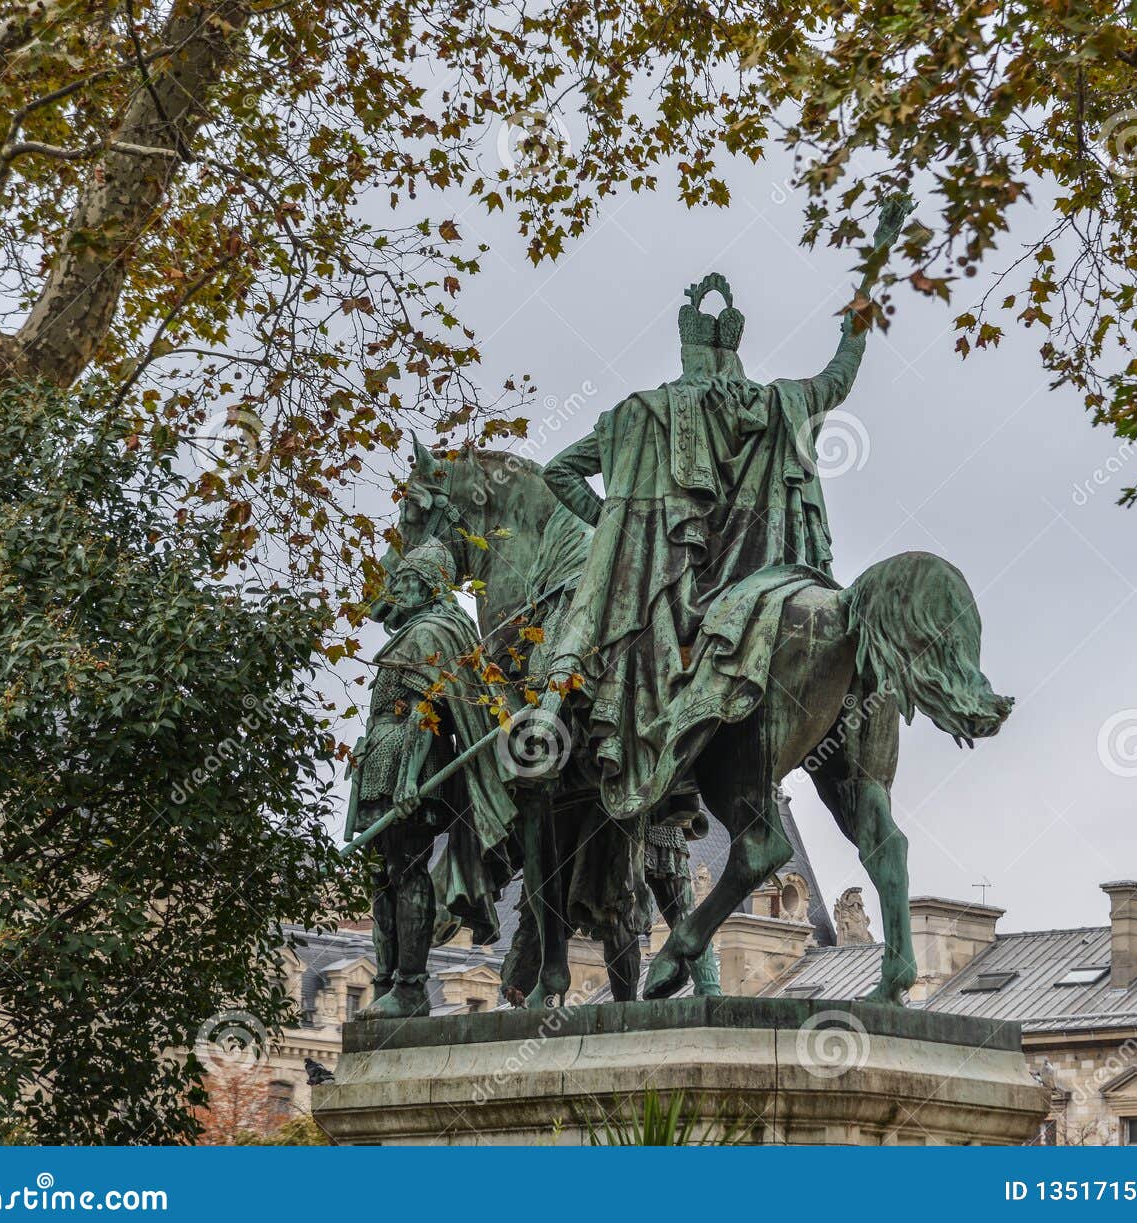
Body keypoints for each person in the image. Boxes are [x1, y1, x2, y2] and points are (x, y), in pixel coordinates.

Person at [533, 201, 908, 824]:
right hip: (760, 584)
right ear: (733, 352)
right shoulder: (782, 403)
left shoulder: (640, 414)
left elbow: (557, 472)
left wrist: (624, 539)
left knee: (592, 651)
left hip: (664, 594)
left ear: (686, 353)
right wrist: (874, 264)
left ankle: (587, 732)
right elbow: (842, 369)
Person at [344, 538, 515, 1018]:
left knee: (406, 869)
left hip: (410, 771)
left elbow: (425, 714)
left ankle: (410, 985)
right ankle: (384, 980)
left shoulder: (431, 633)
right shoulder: (417, 629)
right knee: (383, 878)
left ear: (428, 585)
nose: (397, 592)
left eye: (404, 583)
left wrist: (408, 782)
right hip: (381, 766)